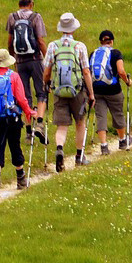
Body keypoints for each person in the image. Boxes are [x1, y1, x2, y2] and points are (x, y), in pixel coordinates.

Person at [42, 13, 95, 173]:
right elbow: (86, 71)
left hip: (59, 91)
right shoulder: (79, 46)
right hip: (77, 91)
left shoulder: (53, 46)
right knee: (80, 122)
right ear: (73, 28)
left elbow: (47, 71)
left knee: (62, 125)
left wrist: (47, 85)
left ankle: (59, 148)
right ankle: (79, 157)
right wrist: (91, 94)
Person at [0, 49, 33, 197]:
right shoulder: (13, 77)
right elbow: (21, 99)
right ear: (8, 62)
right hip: (12, 118)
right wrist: (28, 112)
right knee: (14, 145)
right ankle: (20, 178)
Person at [6, 0, 49, 146]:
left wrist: (13, 59)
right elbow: (40, 40)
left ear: (19, 4)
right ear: (31, 4)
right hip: (36, 60)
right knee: (42, 92)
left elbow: (10, 42)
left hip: (20, 62)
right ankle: (40, 123)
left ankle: (28, 132)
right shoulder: (36, 17)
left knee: (24, 96)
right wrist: (47, 59)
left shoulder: (12, 17)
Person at [90, 30, 132, 153]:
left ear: (100, 41)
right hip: (113, 90)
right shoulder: (116, 53)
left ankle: (104, 145)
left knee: (101, 116)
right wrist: (127, 81)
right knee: (117, 113)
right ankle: (122, 140)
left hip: (97, 89)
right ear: (112, 41)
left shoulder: (93, 53)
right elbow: (121, 71)